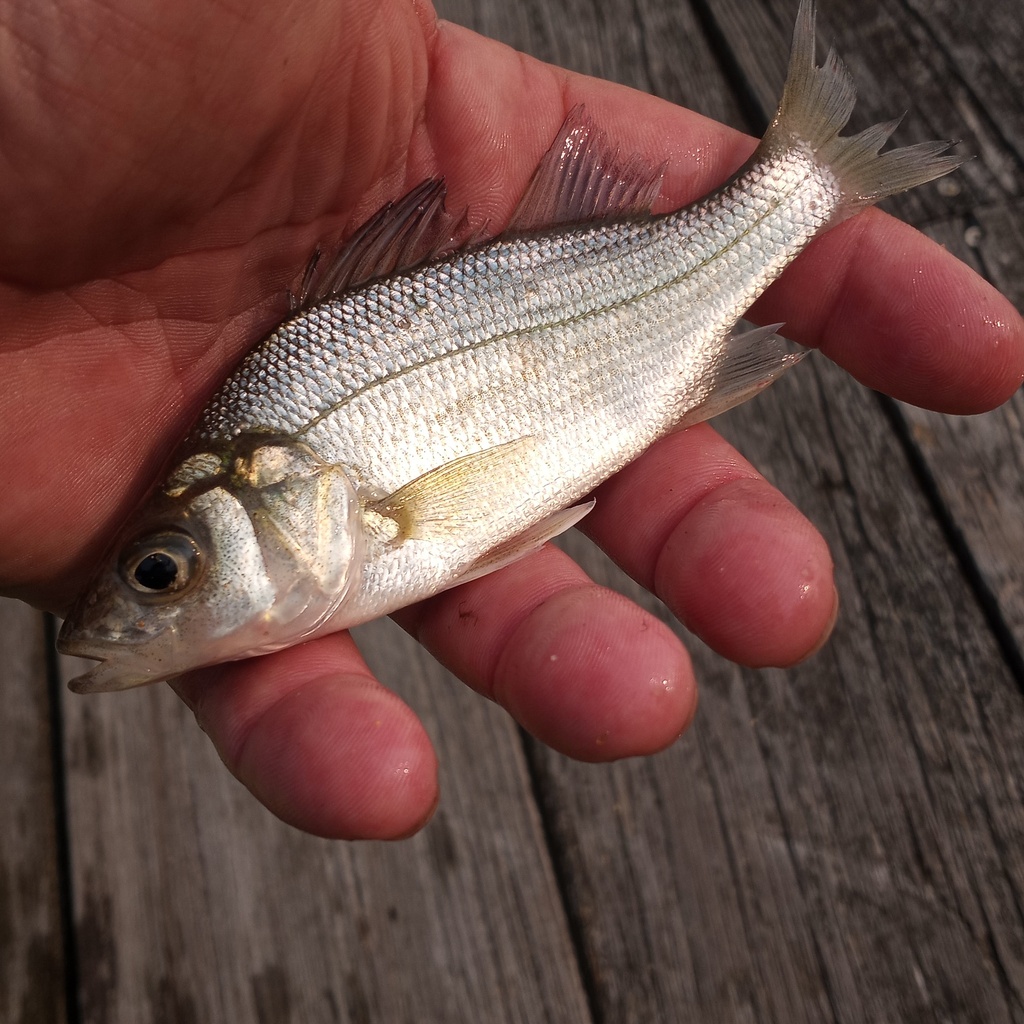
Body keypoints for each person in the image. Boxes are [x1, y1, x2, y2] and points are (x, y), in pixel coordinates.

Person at [1, 0, 1020, 839]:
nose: (146, 601)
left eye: (161, 572)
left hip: (622, 321)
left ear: (272, 485)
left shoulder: (349, 504)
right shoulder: (308, 487)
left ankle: (809, 177)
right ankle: (816, 175)